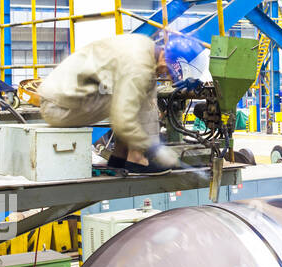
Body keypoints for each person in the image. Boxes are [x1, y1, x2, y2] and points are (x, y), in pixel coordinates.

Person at [36, 31, 210, 170]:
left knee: (140, 91)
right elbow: (123, 119)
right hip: (58, 107)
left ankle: (120, 157)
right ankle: (135, 158)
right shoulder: (138, 68)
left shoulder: (146, 48)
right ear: (166, 59)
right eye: (169, 72)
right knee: (127, 101)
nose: (167, 76)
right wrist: (154, 149)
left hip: (64, 100)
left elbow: (148, 97)